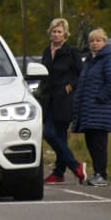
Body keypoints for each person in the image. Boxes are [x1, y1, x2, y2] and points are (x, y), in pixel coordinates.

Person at [39, 18, 86, 185]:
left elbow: (81, 74)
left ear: (65, 34)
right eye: (54, 31)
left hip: (64, 100)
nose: (56, 34)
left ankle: (75, 166)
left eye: (59, 31)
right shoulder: (46, 51)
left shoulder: (71, 52)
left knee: (51, 134)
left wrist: (70, 87)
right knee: (58, 137)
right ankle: (59, 173)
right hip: (48, 99)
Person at [71, 27, 111, 186]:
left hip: (100, 110)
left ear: (105, 42)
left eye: (98, 40)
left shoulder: (108, 59)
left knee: (99, 143)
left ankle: (102, 174)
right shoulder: (90, 61)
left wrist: (99, 99)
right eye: (92, 41)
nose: (94, 43)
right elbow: (83, 84)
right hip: (88, 111)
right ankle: (97, 172)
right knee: (90, 142)